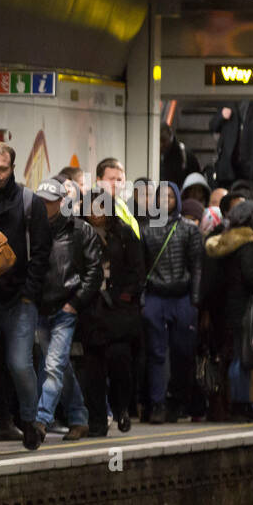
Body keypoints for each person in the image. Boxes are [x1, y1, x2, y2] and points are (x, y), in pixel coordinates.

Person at [0, 142, 50, 452]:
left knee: (19, 363)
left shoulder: (29, 201)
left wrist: (30, 294)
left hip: (19, 297)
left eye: (3, 168)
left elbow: (42, 252)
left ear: (12, 168)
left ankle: (29, 421)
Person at [31, 178, 102, 442]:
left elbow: (94, 272)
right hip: (41, 307)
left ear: (62, 202)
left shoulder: (81, 230)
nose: (44, 206)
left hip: (66, 307)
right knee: (57, 366)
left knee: (52, 366)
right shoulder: (33, 229)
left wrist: (75, 302)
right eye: (41, 202)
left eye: (49, 202)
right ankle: (78, 416)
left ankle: (41, 420)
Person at [77, 184, 146, 437]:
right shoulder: (78, 234)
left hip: (119, 309)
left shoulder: (124, 234)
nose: (96, 212)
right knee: (92, 367)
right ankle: (96, 419)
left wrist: (125, 297)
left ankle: (122, 408)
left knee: (120, 361)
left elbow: (138, 271)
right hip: (90, 308)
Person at [141, 182, 203, 423]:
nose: (166, 199)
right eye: (161, 196)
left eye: (170, 195)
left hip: (183, 297)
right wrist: (143, 299)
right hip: (156, 296)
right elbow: (141, 267)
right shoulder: (146, 230)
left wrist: (195, 300)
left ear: (177, 198)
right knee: (156, 353)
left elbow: (197, 266)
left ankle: (176, 401)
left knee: (183, 353)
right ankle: (157, 404)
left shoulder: (189, 229)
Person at [206, 200, 253, 421]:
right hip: (244, 306)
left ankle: (231, 404)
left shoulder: (221, 241)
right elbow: (251, 275)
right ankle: (241, 404)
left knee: (231, 356)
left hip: (221, 307)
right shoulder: (249, 242)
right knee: (242, 358)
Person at [96, 157, 141, 241]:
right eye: (111, 179)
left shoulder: (120, 202)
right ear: (99, 181)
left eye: (119, 180)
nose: (116, 184)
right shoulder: (92, 204)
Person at [159, 123, 201, 188]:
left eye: (163, 140)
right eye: (158, 140)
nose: (160, 145)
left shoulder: (185, 154)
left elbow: (195, 179)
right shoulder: (153, 155)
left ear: (171, 137)